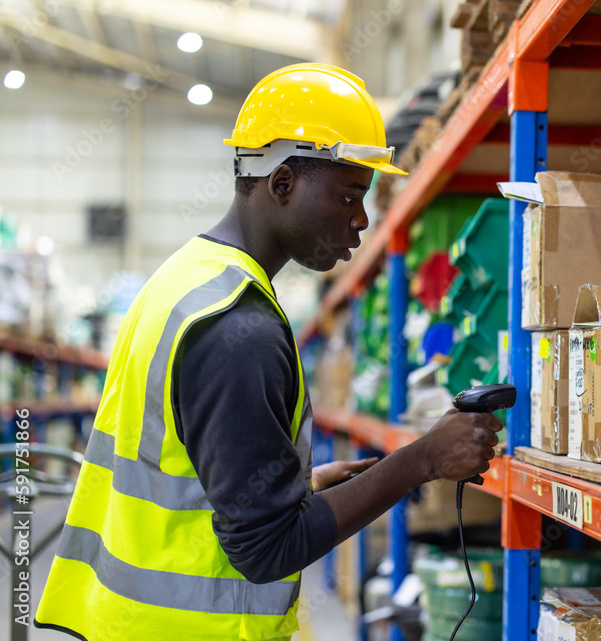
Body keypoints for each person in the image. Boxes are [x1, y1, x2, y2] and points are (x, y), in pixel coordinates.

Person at [34, 64, 502, 641]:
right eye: (349, 195)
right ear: (282, 183)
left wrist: (291, 487)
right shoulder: (239, 329)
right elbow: (267, 547)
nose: (361, 219)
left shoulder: (185, 279)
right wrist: (422, 459)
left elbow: (185, 469)